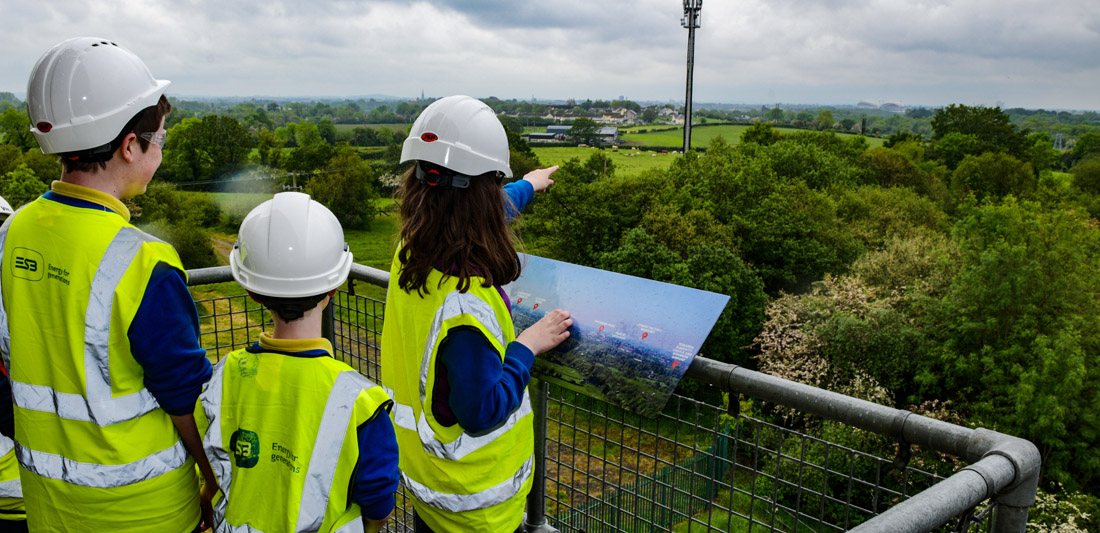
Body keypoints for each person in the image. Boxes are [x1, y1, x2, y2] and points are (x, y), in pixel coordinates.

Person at [0, 38, 216, 532]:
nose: (159, 151)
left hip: (46, 504)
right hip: (145, 510)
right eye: (158, 139)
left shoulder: (13, 232)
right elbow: (184, 397)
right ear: (129, 145)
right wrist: (212, 480)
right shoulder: (145, 261)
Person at [381, 95, 574, 533]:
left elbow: (467, 209)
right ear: (484, 194)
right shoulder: (466, 304)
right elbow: (480, 410)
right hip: (477, 507)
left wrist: (528, 185)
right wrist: (526, 348)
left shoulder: (410, 251)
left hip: (432, 485)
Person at [196, 192, 400, 533]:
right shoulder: (362, 402)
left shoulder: (225, 374)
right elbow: (378, 503)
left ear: (252, 291)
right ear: (334, 287)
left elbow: (213, 459)